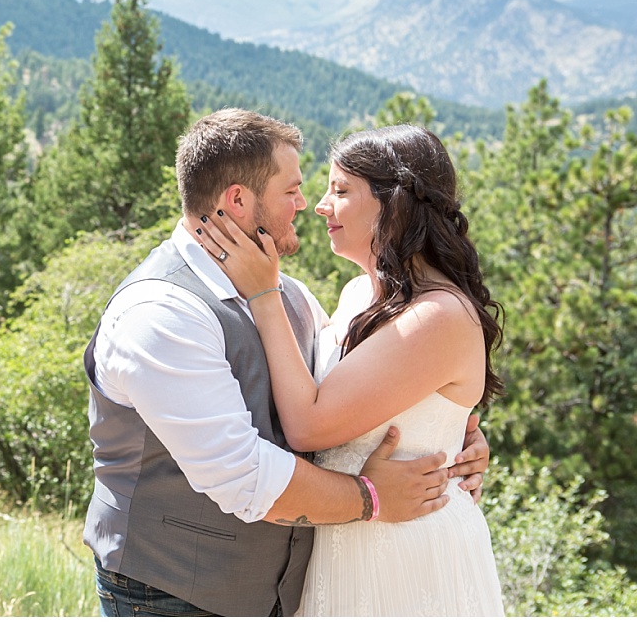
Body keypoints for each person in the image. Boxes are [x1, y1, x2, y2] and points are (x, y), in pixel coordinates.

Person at [83, 109, 491, 617]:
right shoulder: (162, 313)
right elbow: (244, 473)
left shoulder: (290, 297)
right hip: (174, 595)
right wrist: (371, 497)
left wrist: (450, 438)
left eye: (336, 190)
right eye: (293, 190)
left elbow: (379, 388)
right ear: (238, 200)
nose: (311, 205)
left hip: (370, 566)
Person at [194, 123, 506, 616]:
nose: (320, 205)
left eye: (340, 191)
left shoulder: (438, 316)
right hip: (346, 545)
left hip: (404, 555)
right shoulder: (359, 294)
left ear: (396, 203)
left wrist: (264, 294)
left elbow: (309, 424)